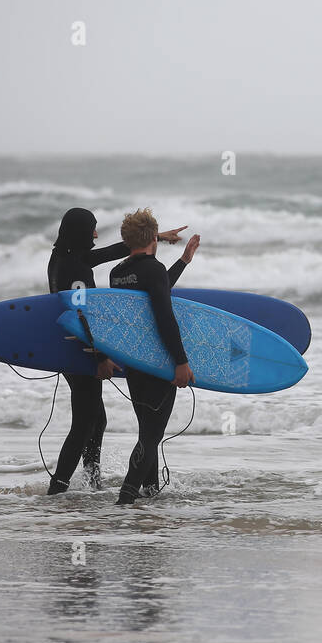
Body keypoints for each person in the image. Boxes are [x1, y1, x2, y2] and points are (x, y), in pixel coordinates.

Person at [45, 207, 189, 495]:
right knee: (86, 422)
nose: (96, 235)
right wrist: (100, 357)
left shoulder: (64, 257)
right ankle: (59, 486)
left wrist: (153, 237)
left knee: (95, 420)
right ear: (80, 233)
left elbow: (108, 254)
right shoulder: (75, 267)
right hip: (82, 351)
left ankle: (91, 481)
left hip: (74, 348)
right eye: (92, 230)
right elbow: (81, 312)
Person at [109, 208, 200, 505]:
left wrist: (183, 261)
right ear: (152, 237)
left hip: (135, 361)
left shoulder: (118, 273)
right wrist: (181, 361)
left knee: (148, 431)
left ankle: (150, 495)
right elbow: (164, 315)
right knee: (151, 436)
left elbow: (153, 290)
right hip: (159, 360)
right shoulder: (153, 269)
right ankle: (126, 498)